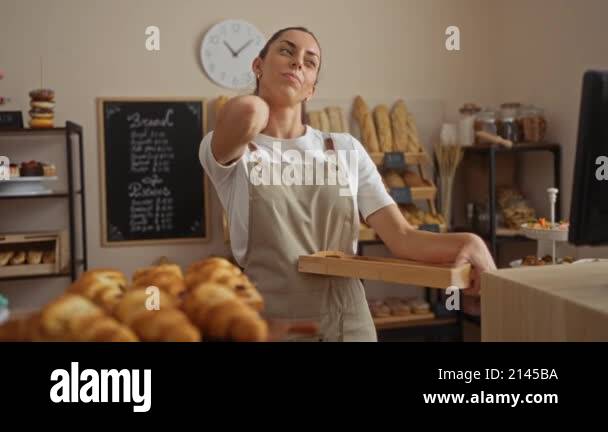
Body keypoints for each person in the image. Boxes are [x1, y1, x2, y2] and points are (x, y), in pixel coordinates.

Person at [200, 26, 496, 341]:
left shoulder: (344, 148)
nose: (298, 62)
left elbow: (403, 238)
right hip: (272, 325)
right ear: (258, 66)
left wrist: (469, 243)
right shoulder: (229, 149)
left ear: (311, 90)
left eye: (310, 62)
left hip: (349, 325)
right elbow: (245, 113)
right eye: (286, 51)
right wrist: (265, 101)